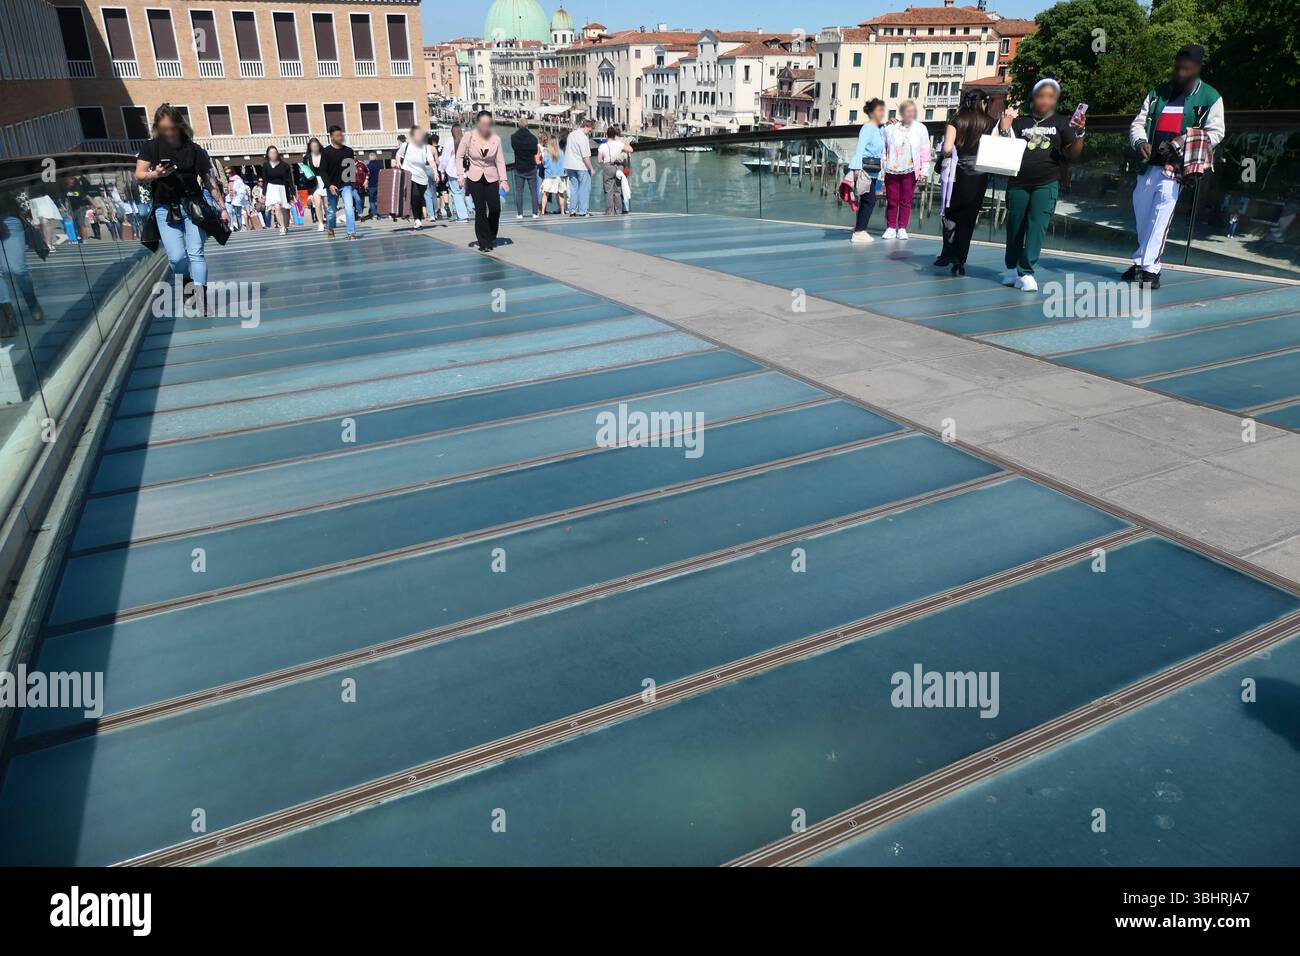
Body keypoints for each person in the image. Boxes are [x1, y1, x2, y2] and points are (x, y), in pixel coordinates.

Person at [1126, 44, 1225, 288]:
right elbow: (1138, 122)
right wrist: (1139, 142)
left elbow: (1217, 132)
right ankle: (1141, 261)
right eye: (1177, 67)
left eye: (1186, 69)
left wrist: (1183, 144)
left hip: (1177, 169)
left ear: (1197, 69)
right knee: (1142, 213)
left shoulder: (1210, 97)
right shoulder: (1158, 92)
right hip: (1148, 164)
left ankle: (1151, 269)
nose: (1180, 73)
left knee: (1161, 216)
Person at [134, 103, 229, 311]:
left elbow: (209, 180)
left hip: (193, 206)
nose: (168, 132)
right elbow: (139, 175)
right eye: (163, 129)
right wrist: (156, 174)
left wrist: (222, 207)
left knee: (196, 253)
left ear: (179, 125)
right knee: (176, 258)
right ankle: (186, 281)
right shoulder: (151, 147)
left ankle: (202, 298)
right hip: (164, 207)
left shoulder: (194, 150)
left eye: (171, 128)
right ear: (157, 127)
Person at [998, 77, 1087, 292]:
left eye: (1050, 96)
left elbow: (1073, 152)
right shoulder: (1020, 122)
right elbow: (1002, 150)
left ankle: (1026, 271)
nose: (1045, 100)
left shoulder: (1062, 122)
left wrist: (1080, 133)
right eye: (1041, 95)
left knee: (1037, 226)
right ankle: (1011, 268)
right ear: (1033, 98)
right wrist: (1004, 128)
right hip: (1018, 182)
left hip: (1046, 182)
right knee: (1015, 226)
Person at [935, 90, 996, 275]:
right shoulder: (990, 122)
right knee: (968, 219)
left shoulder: (957, 119)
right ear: (983, 102)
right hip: (979, 174)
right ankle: (960, 261)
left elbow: (946, 149)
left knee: (951, 214)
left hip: (956, 173)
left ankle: (948, 252)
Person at [456, 110, 508, 252]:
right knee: (480, 210)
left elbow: (500, 161)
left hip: (491, 176)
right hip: (474, 177)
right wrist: (460, 175)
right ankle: (483, 242)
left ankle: (491, 235)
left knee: (495, 208)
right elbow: (459, 156)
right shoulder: (468, 136)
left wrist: (503, 180)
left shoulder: (496, 139)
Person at [880, 100, 930, 240]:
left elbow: (925, 149)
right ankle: (890, 227)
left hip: (910, 169)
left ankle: (902, 228)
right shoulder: (890, 128)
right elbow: (883, 148)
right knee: (892, 200)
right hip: (892, 170)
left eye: (912, 111)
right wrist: (883, 166)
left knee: (906, 200)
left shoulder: (921, 128)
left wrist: (924, 170)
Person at [0, 189, 45, 336]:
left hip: (7, 217)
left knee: (16, 268)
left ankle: (32, 303)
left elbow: (19, 190)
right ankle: (9, 319)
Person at [847, 98, 886, 243]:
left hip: (874, 170)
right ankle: (859, 231)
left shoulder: (879, 128)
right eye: (879, 110)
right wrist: (856, 167)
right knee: (869, 200)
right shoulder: (868, 128)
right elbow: (860, 148)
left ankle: (860, 228)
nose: (882, 113)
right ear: (871, 113)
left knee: (866, 199)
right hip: (865, 170)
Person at [320, 124, 359, 240]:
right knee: (331, 210)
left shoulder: (348, 151)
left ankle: (351, 233)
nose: (340, 137)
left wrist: (352, 184)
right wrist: (329, 185)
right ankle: (330, 228)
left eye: (341, 135)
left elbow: (351, 168)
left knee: (349, 207)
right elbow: (322, 171)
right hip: (332, 185)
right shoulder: (326, 152)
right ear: (331, 137)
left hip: (346, 185)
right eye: (337, 135)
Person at [395, 126, 434, 228]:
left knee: (420, 197)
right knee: (414, 195)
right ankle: (417, 219)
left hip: (422, 176)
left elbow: (431, 161)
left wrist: (436, 172)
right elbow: (398, 155)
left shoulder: (425, 147)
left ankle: (418, 217)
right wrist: (398, 162)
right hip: (409, 174)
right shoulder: (405, 145)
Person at [510, 117, 541, 219]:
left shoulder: (513, 137)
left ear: (519, 125)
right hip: (531, 166)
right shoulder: (533, 138)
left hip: (519, 167)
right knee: (533, 191)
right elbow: (534, 152)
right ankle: (535, 213)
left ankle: (520, 213)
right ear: (527, 125)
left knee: (519, 192)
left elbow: (514, 148)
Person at [564, 118, 595, 217]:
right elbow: (585, 156)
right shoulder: (583, 138)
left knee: (574, 188)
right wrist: (591, 168)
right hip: (581, 166)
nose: (589, 132)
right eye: (590, 130)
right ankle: (583, 211)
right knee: (584, 189)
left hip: (570, 165)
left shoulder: (571, 135)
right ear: (586, 127)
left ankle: (572, 210)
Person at [598, 126, 632, 215]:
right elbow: (630, 149)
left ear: (607, 135)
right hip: (619, 168)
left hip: (607, 167)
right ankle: (619, 210)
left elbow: (599, 160)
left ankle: (610, 211)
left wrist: (606, 160)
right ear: (615, 135)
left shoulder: (602, 146)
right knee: (618, 190)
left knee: (608, 191)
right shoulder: (619, 144)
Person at [261, 146, 293, 236]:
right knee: (277, 207)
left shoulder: (285, 165)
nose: (273, 154)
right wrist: (264, 193)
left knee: (284, 209)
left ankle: (285, 225)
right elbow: (265, 180)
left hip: (282, 188)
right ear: (268, 154)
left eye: (275, 152)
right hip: (271, 188)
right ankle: (282, 227)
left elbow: (289, 179)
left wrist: (292, 191)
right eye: (271, 153)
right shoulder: (265, 165)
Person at [439, 127, 468, 223]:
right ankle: (462, 213)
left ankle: (462, 216)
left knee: (456, 193)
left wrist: (441, 170)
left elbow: (445, 158)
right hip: (464, 171)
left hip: (453, 170)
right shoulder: (465, 140)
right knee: (461, 193)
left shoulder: (450, 141)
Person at [302, 137, 328, 231]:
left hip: (325, 180)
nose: (314, 148)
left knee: (326, 204)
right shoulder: (307, 158)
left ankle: (329, 221)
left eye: (316, 146)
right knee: (317, 203)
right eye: (312, 146)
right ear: (310, 147)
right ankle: (320, 223)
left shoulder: (324, 155)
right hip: (314, 182)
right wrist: (309, 192)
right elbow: (306, 173)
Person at [540, 133, 567, 215]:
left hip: (549, 175)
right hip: (559, 175)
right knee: (561, 194)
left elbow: (544, 164)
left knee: (545, 193)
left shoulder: (547, 153)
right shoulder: (561, 153)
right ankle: (562, 211)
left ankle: (543, 211)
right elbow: (564, 164)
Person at [365, 152, 383, 219]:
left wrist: (366, 182)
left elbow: (367, 176)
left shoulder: (368, 166)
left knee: (372, 200)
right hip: (380, 185)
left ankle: (374, 214)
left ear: (369, 158)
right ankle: (379, 214)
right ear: (376, 157)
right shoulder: (381, 165)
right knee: (378, 200)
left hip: (371, 185)